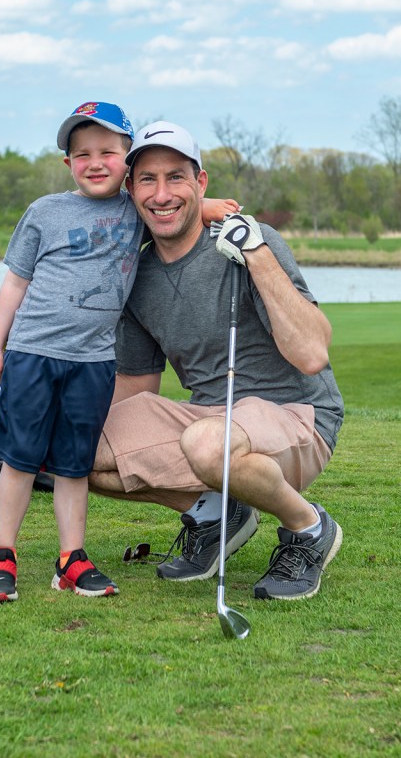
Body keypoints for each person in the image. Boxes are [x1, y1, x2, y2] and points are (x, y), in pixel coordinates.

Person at [0, 103, 236, 604]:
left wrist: (209, 207)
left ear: (127, 160)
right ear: (68, 163)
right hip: (32, 353)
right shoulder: (45, 212)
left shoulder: (132, 210)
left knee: (75, 464)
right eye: (82, 154)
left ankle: (71, 560)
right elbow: (15, 282)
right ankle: (2, 554)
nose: (95, 162)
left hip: (95, 362)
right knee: (21, 460)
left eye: (108, 152)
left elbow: (172, 210)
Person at [90, 121, 345, 602]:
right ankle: (221, 512)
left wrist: (256, 253)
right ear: (130, 189)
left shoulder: (252, 240)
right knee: (72, 444)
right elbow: (137, 390)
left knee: (208, 445)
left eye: (176, 178)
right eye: (148, 179)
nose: (162, 194)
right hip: (209, 419)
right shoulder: (137, 272)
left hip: (297, 417)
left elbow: (312, 354)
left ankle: (308, 528)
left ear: (201, 183)